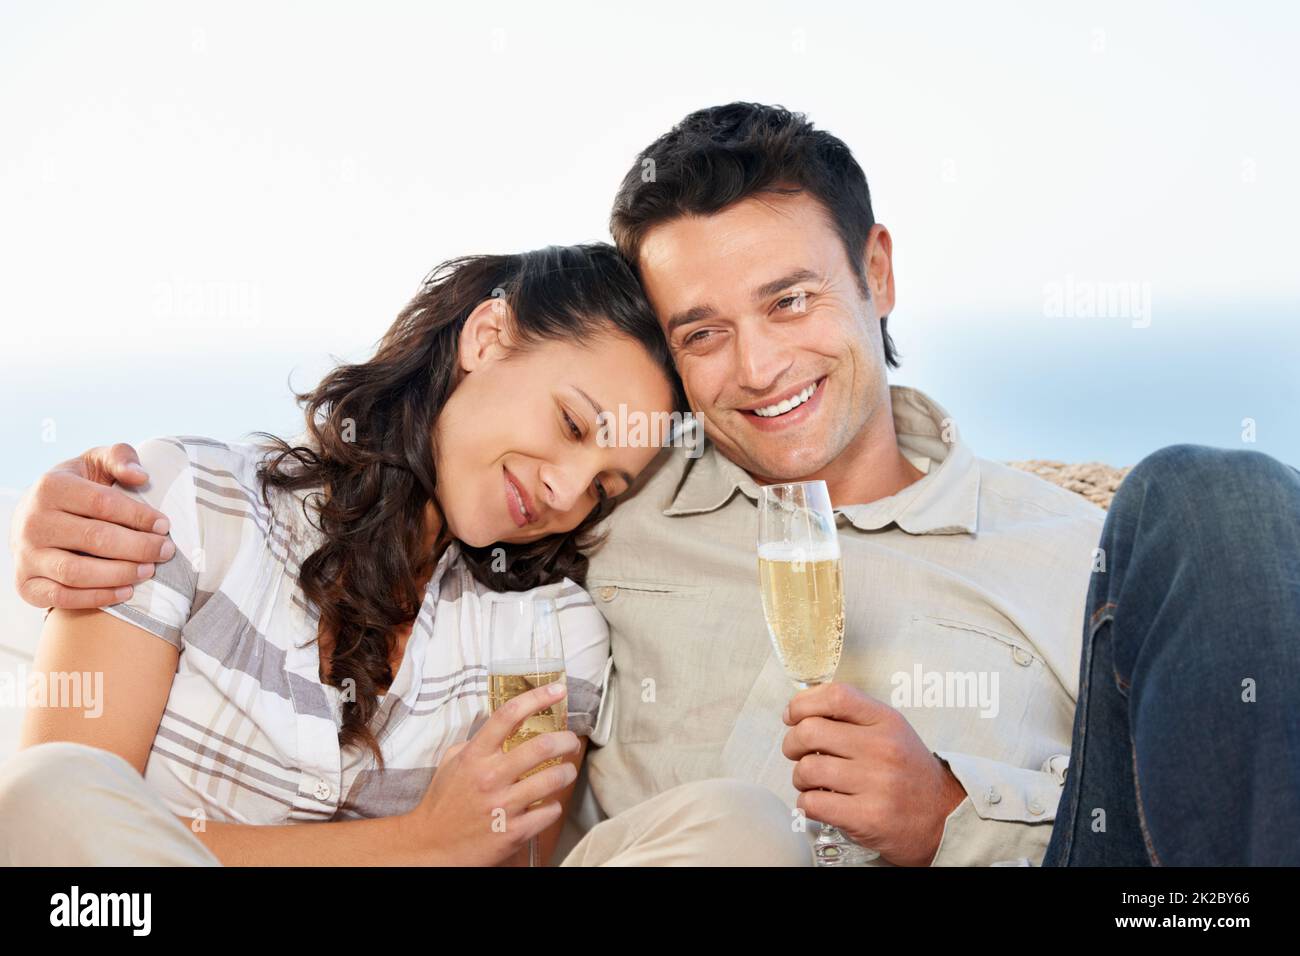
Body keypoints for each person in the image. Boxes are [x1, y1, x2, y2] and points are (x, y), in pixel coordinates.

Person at [11, 104, 1300, 865]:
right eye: (701, 333)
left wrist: (957, 819)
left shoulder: (1073, 548)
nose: (757, 366)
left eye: (790, 299)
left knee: (1220, 493)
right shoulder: (607, 513)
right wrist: (86, 510)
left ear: (878, 274)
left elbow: (1190, 804)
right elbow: (407, 482)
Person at [0, 242, 813, 867]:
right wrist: (420, 842)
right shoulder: (189, 502)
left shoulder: (549, 633)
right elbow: (63, 843)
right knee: (48, 789)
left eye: (604, 486)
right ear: (488, 337)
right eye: (571, 424)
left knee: (741, 826)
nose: (567, 492)